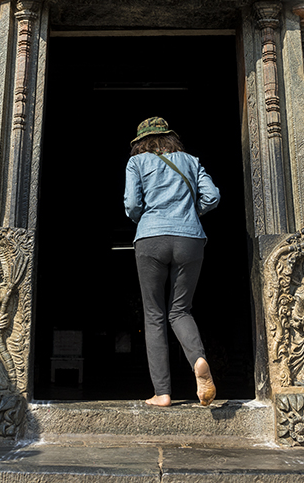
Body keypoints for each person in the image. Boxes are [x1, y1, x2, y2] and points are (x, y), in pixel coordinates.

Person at [123, 117, 220, 407]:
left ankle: (163, 393)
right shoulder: (192, 161)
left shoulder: (137, 163)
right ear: (171, 139)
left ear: (141, 143)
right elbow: (213, 196)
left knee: (154, 315)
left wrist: (148, 221)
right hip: (190, 238)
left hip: (151, 238)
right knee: (180, 310)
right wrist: (191, 215)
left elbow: (131, 204)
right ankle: (198, 360)